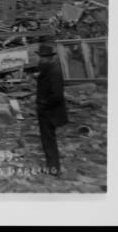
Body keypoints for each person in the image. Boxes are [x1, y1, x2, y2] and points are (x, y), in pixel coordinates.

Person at [36, 43, 68, 176]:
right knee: (47, 139)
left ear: (50, 58)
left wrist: (43, 104)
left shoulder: (54, 71)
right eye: (41, 57)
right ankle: (52, 166)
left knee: (49, 140)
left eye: (43, 58)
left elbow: (57, 95)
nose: (41, 60)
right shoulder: (47, 68)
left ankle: (54, 168)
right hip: (47, 111)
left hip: (50, 112)